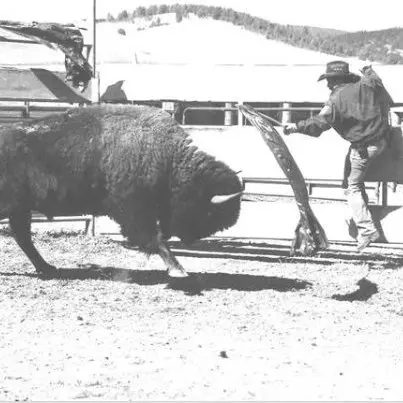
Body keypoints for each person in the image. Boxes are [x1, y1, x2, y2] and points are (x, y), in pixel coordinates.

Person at [284, 60, 393, 253]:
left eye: (329, 80)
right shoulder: (366, 84)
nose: (327, 85)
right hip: (382, 142)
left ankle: (367, 230)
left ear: (335, 80)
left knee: (352, 187)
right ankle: (366, 222)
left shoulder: (335, 100)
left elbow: (319, 123)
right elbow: (377, 81)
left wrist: (295, 127)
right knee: (353, 179)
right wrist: (367, 69)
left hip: (363, 148)